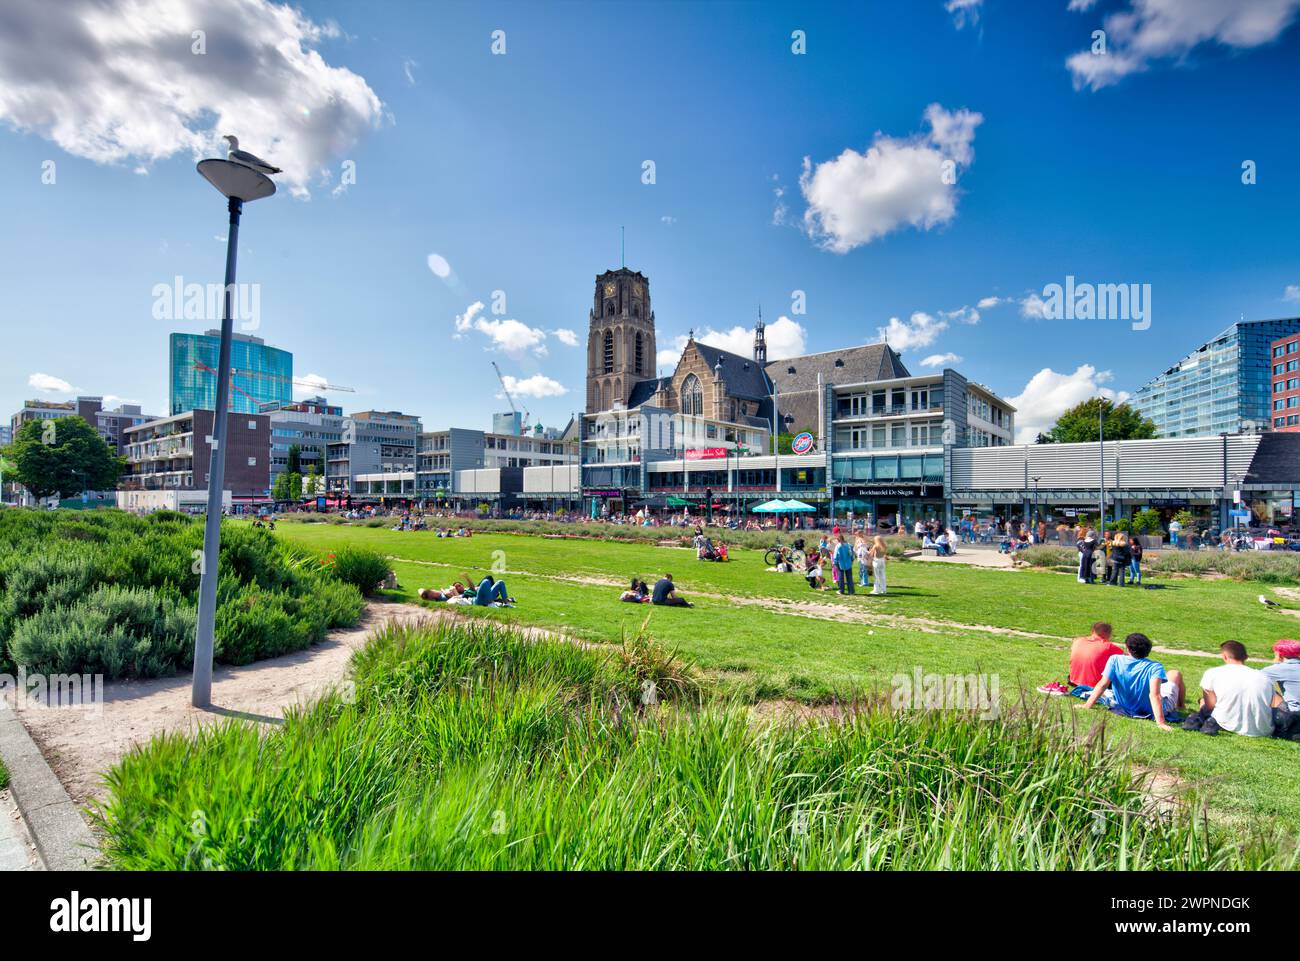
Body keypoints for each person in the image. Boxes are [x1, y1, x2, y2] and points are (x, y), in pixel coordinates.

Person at [1081, 632, 1183, 729]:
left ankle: (1181, 706)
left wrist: (1087, 705)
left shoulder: (1115, 660)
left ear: (1128, 648)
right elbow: (1154, 695)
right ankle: (1181, 705)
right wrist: (1161, 723)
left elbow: (1103, 684)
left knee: (1169, 677)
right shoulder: (1155, 667)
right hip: (1151, 709)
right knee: (1175, 674)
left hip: (1124, 705)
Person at [1183, 641, 1277, 737]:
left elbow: (1210, 705)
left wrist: (1202, 703)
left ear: (1224, 656)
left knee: (1204, 703)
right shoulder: (1264, 677)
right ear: (1246, 657)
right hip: (1262, 730)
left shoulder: (1212, 673)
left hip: (1227, 725)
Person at [1262, 639, 1300, 740]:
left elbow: (1254, 678)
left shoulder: (1281, 668)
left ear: (1280, 655)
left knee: (1268, 689)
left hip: (1294, 716)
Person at [1068, 622, 1122, 689]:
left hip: (1073, 681)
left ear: (1093, 631)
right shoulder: (1110, 647)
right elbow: (1127, 659)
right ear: (1109, 634)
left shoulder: (1078, 641)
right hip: (1094, 685)